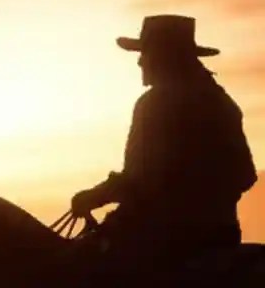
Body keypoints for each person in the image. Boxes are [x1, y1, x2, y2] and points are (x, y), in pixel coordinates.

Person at [71, 14, 256, 266]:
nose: (139, 62)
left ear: (161, 57)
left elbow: (139, 179)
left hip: (160, 237)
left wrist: (92, 197)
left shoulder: (154, 104)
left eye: (144, 53)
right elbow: (246, 175)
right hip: (221, 234)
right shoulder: (223, 103)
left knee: (76, 267)